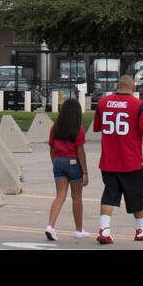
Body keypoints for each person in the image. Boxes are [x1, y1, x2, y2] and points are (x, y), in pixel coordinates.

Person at [91, 73, 143, 243]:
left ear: (117, 87)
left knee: (109, 195)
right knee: (136, 196)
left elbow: (97, 127)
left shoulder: (103, 103)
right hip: (131, 161)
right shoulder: (138, 105)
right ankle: (140, 229)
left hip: (108, 161)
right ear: (133, 88)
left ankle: (104, 230)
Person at [45, 97, 91, 241]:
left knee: (60, 195)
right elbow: (80, 151)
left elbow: (51, 149)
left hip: (58, 161)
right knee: (76, 197)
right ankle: (78, 229)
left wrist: (55, 163)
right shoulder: (78, 129)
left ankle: (50, 226)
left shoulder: (55, 128)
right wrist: (85, 172)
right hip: (73, 162)